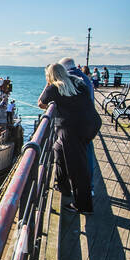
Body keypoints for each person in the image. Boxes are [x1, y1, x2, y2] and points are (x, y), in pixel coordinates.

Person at [38, 61, 100, 214]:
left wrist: (47, 85)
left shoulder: (54, 87)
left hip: (74, 129)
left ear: (50, 76)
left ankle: (84, 206)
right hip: (91, 123)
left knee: (77, 167)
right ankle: (63, 186)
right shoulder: (78, 82)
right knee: (58, 148)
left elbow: (40, 103)